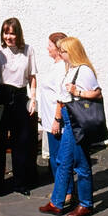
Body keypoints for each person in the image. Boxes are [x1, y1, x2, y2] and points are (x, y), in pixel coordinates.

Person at [38, 35, 102, 216]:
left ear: (71, 52)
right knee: (62, 161)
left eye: (64, 51)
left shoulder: (84, 70)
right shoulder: (71, 69)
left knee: (81, 163)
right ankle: (57, 202)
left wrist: (78, 92)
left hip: (77, 121)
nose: (61, 53)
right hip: (68, 119)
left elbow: (97, 94)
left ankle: (86, 204)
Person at [0, 17, 40, 193]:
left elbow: (32, 76)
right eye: (5, 32)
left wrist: (33, 98)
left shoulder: (28, 50)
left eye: (12, 33)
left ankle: (20, 183)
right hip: (1, 95)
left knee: (20, 141)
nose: (8, 37)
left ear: (18, 34)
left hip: (20, 96)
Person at [36, 31, 68, 183]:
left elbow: (61, 98)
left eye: (49, 45)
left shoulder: (62, 68)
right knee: (55, 158)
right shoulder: (55, 65)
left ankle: (63, 194)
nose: (47, 48)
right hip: (49, 120)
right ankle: (61, 193)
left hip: (56, 122)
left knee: (58, 158)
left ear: (57, 47)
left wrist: (57, 119)